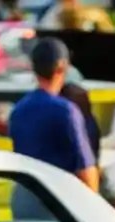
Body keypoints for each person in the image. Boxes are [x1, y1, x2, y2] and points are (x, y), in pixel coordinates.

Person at [8, 38, 98, 197]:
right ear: (62, 66)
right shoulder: (66, 110)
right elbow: (85, 167)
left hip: (24, 196)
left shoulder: (19, 109)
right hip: (58, 200)